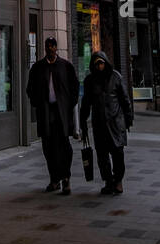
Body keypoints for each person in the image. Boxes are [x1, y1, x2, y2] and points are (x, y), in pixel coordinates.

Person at [26, 36, 79, 195]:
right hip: (46, 112)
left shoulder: (65, 66)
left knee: (64, 146)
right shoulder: (38, 68)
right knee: (48, 147)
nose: (50, 49)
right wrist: (38, 104)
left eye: (53, 46)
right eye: (48, 46)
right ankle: (54, 178)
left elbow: (74, 87)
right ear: (44, 48)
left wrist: (69, 104)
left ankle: (66, 178)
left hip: (61, 113)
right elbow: (31, 89)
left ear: (57, 48)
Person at [80, 51, 134, 195]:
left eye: (101, 63)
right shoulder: (90, 81)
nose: (99, 66)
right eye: (96, 64)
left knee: (118, 154)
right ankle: (108, 181)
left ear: (106, 63)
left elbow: (124, 99)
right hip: (99, 124)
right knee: (102, 156)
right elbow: (86, 103)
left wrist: (128, 118)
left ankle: (118, 180)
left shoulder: (116, 77)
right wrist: (82, 122)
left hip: (115, 123)